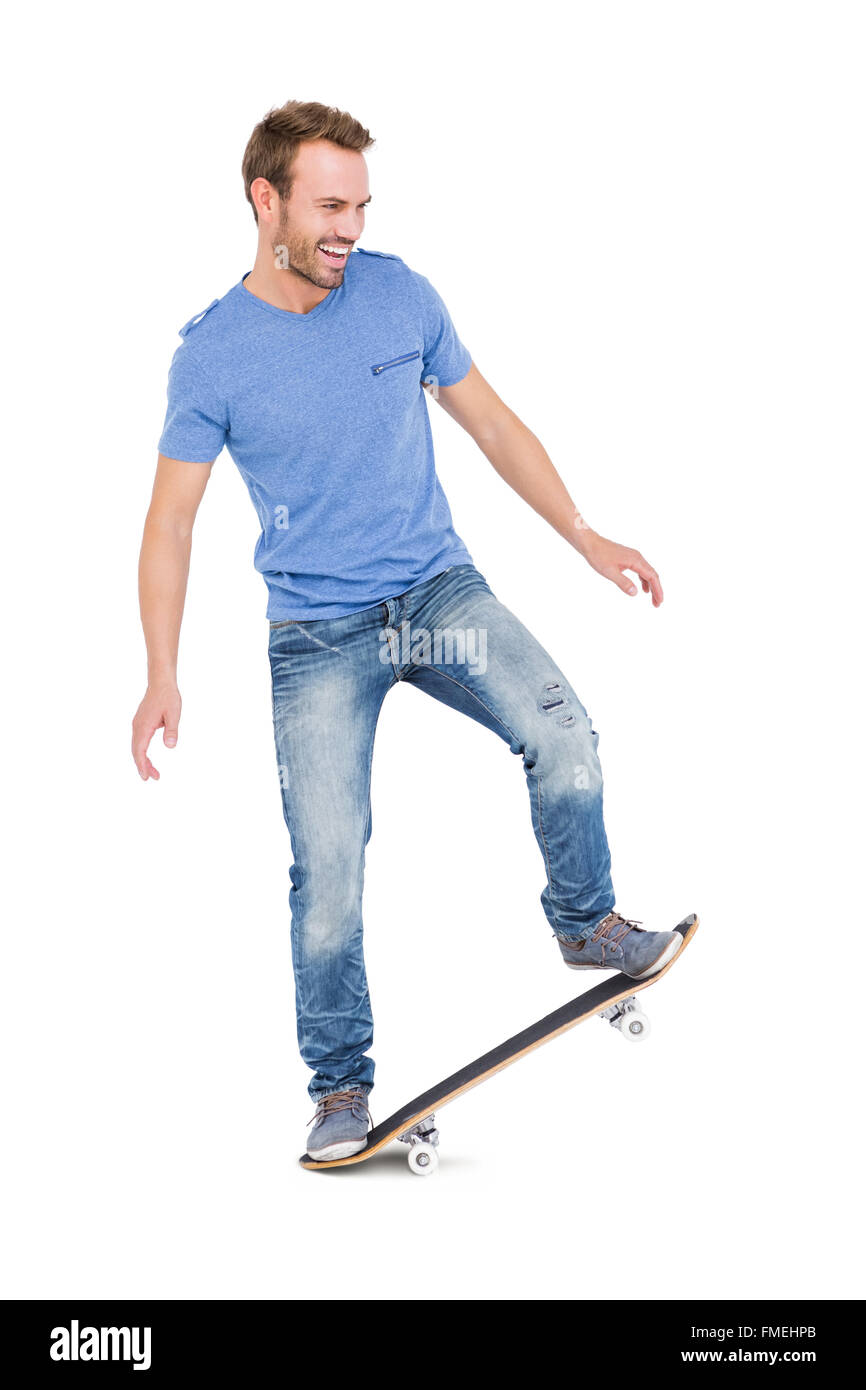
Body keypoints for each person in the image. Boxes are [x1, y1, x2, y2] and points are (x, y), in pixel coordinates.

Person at [133, 99, 683, 1163]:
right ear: (266, 200)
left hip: (437, 606)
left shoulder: (397, 295)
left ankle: (585, 921)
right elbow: (170, 521)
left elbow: (490, 421)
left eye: (362, 205)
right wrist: (162, 670)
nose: (349, 227)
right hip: (320, 639)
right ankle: (340, 1089)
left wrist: (582, 534)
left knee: (564, 739)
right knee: (327, 868)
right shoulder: (213, 357)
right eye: (328, 206)